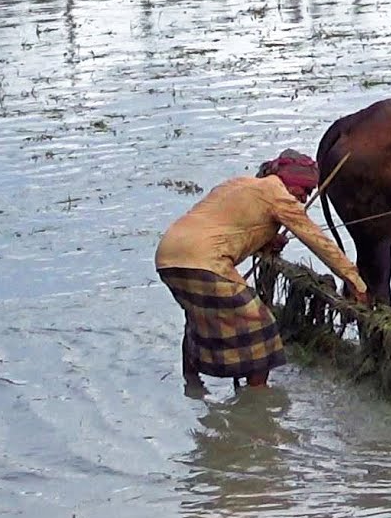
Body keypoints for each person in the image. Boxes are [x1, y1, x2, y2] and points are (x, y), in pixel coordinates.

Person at [155, 149, 368, 391]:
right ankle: (257, 399)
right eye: (304, 190)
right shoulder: (278, 195)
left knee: (197, 320)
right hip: (205, 262)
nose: (303, 197)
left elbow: (226, 225)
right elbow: (317, 240)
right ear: (289, 182)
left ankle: (192, 386)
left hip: (168, 256)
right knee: (261, 326)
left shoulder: (240, 184)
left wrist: (266, 240)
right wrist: (354, 279)